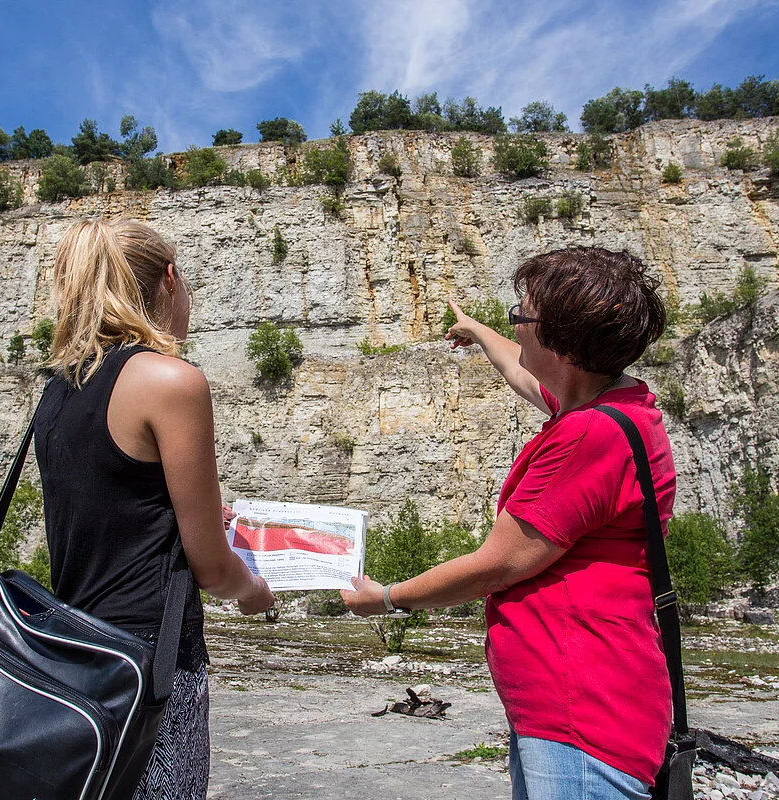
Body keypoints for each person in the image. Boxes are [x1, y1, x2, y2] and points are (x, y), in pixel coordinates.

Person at [342, 247, 675, 800]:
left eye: (521, 316)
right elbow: (524, 377)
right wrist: (476, 332)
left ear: (562, 344)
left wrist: (387, 598)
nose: (514, 327)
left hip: (580, 711)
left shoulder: (588, 436)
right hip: (581, 704)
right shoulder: (612, 406)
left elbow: (496, 566)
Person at [33, 218, 275, 800]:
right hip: (151, 662)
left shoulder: (57, 390)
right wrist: (254, 595)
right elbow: (213, 569)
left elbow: (110, 512)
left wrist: (178, 523)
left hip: (72, 655)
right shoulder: (172, 381)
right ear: (169, 280)